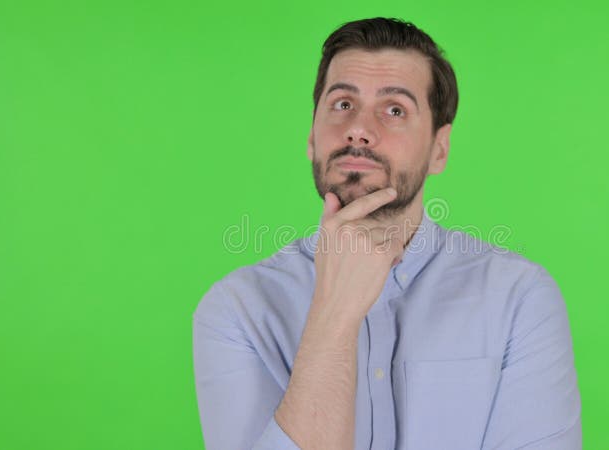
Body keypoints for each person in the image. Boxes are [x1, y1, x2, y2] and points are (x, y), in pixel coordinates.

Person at [193, 17, 581, 450]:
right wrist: (334, 317)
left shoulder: (520, 299)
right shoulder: (236, 311)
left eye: (395, 110)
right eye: (342, 104)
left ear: (439, 149)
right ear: (311, 135)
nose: (359, 128)